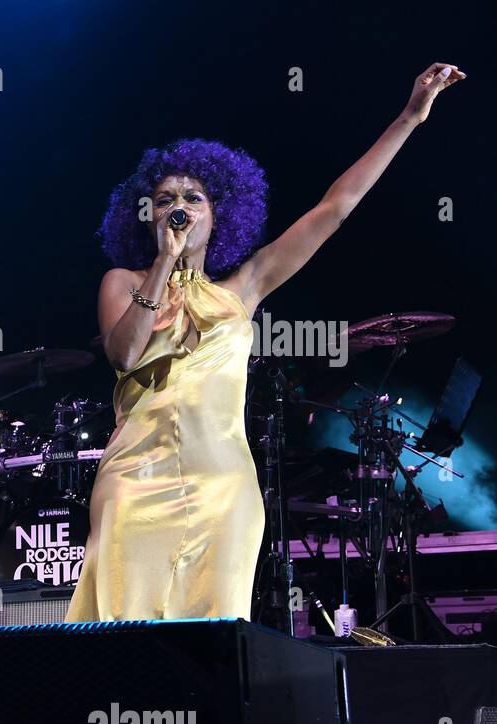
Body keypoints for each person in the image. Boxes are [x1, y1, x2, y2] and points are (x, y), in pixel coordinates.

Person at [67, 62, 465, 623]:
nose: (177, 206)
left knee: (211, 642)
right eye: (163, 198)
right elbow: (124, 354)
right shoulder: (125, 283)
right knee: (124, 627)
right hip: (135, 480)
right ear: (148, 214)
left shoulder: (244, 287)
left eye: (193, 197)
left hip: (223, 487)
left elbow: (335, 208)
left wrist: (409, 116)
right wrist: (164, 260)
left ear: (218, 213)